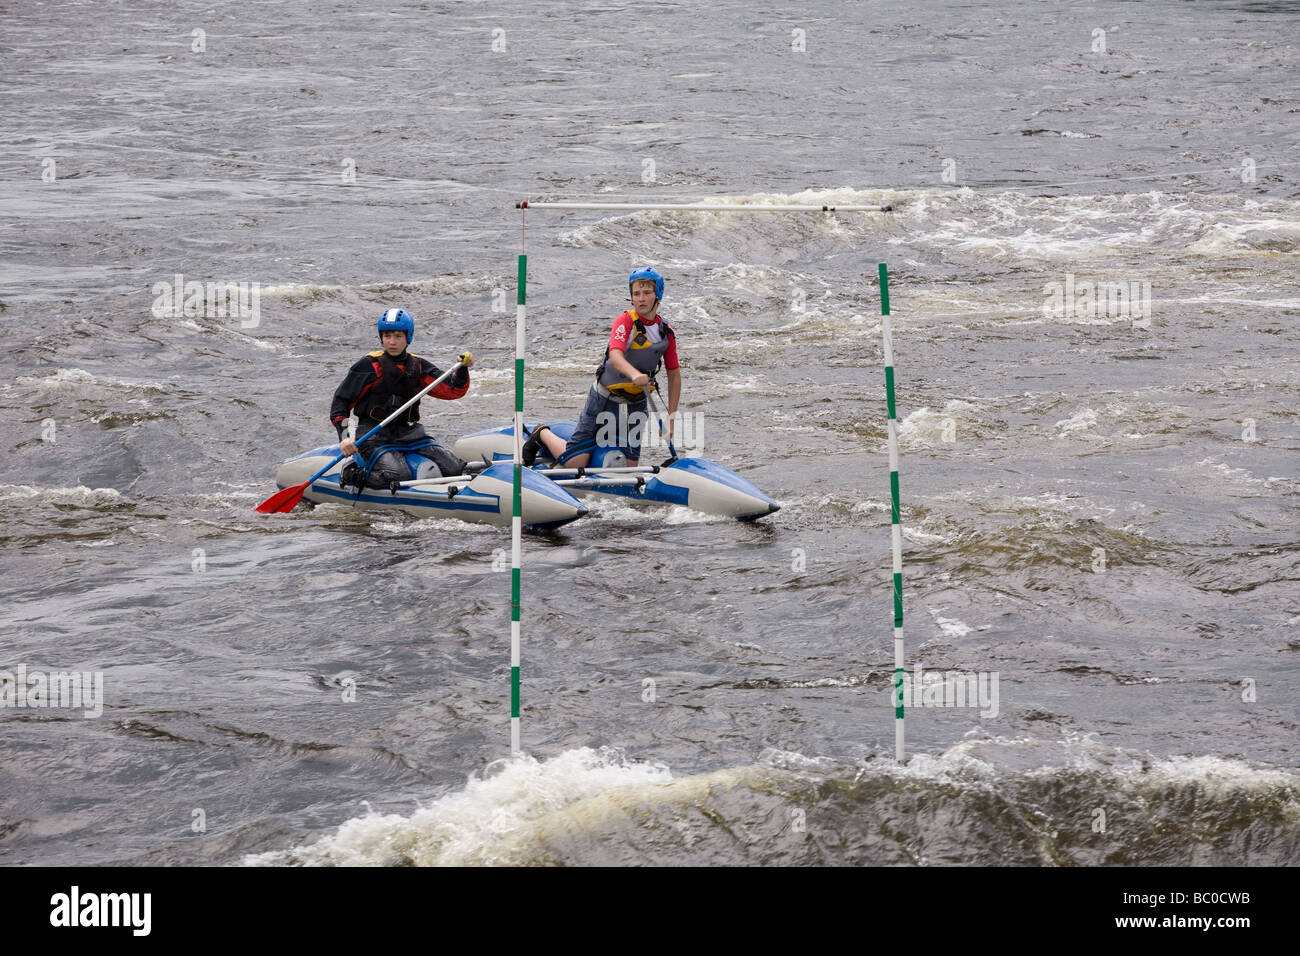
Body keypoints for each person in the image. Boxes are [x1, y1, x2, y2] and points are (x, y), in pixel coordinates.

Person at [523, 267, 680, 469]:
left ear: (658, 294)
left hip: (636, 404)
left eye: (647, 293)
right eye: (636, 294)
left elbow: (674, 375)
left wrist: (671, 417)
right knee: (574, 463)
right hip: (604, 399)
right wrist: (634, 374)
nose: (641, 298)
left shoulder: (665, 333)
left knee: (629, 468)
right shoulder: (624, 322)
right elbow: (615, 355)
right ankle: (541, 433)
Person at [331, 308, 475, 490]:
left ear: (408, 337)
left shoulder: (418, 366)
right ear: (381, 337)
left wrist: (462, 369)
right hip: (372, 435)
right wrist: (345, 437)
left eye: (398, 336)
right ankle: (352, 473)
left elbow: (452, 390)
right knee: (399, 476)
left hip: (407, 433)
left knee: (454, 468)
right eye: (387, 335)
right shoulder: (368, 366)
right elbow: (341, 403)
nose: (392, 342)